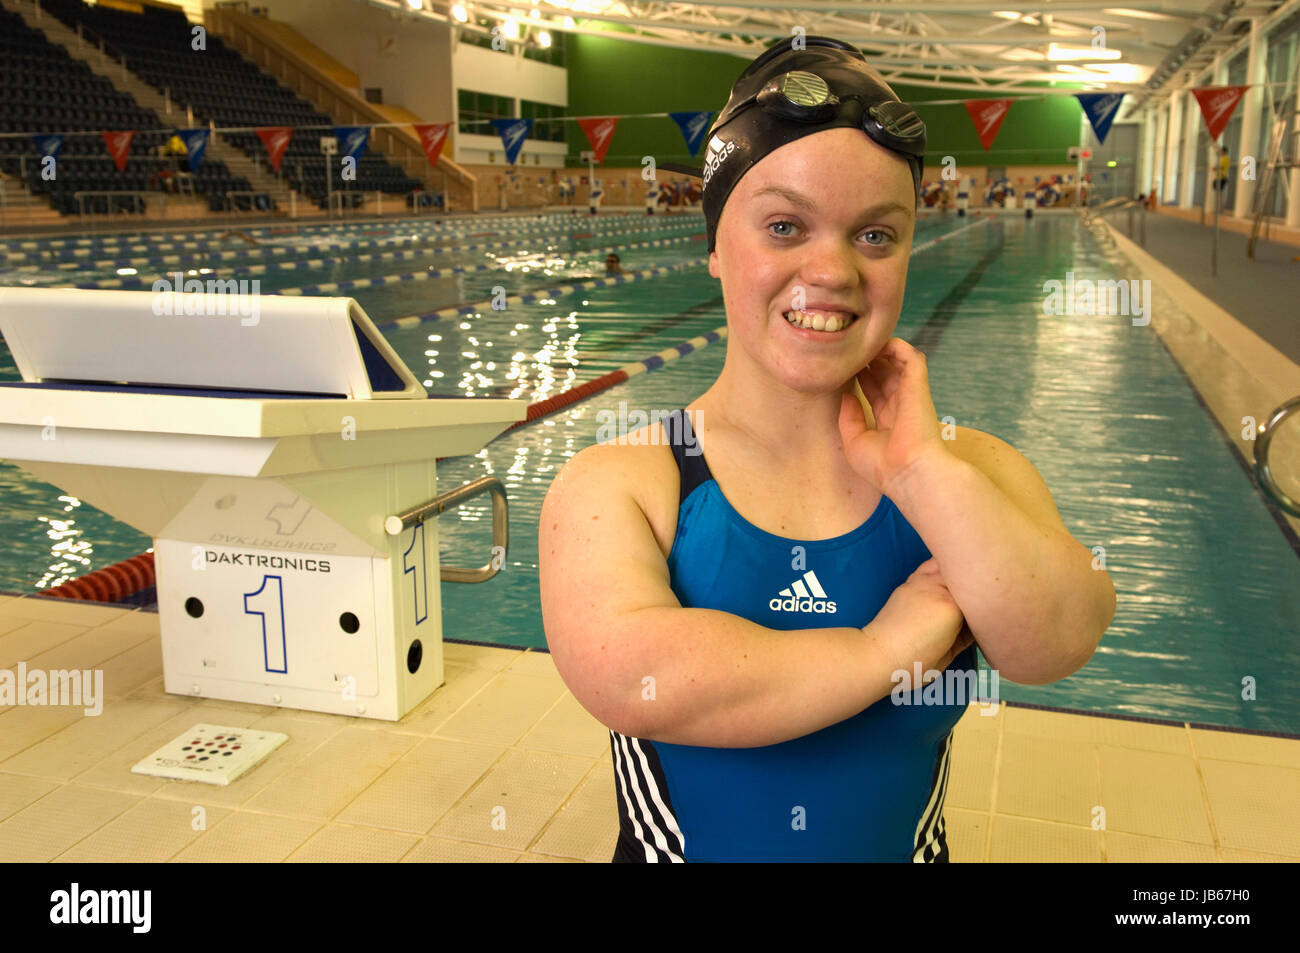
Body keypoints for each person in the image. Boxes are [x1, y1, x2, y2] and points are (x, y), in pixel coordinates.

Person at [539, 35, 1115, 862]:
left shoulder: (967, 473)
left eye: (876, 235)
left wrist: (918, 470)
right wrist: (881, 649)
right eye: (783, 225)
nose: (833, 268)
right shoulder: (625, 483)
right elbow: (632, 675)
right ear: (713, 243)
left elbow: (1061, 639)